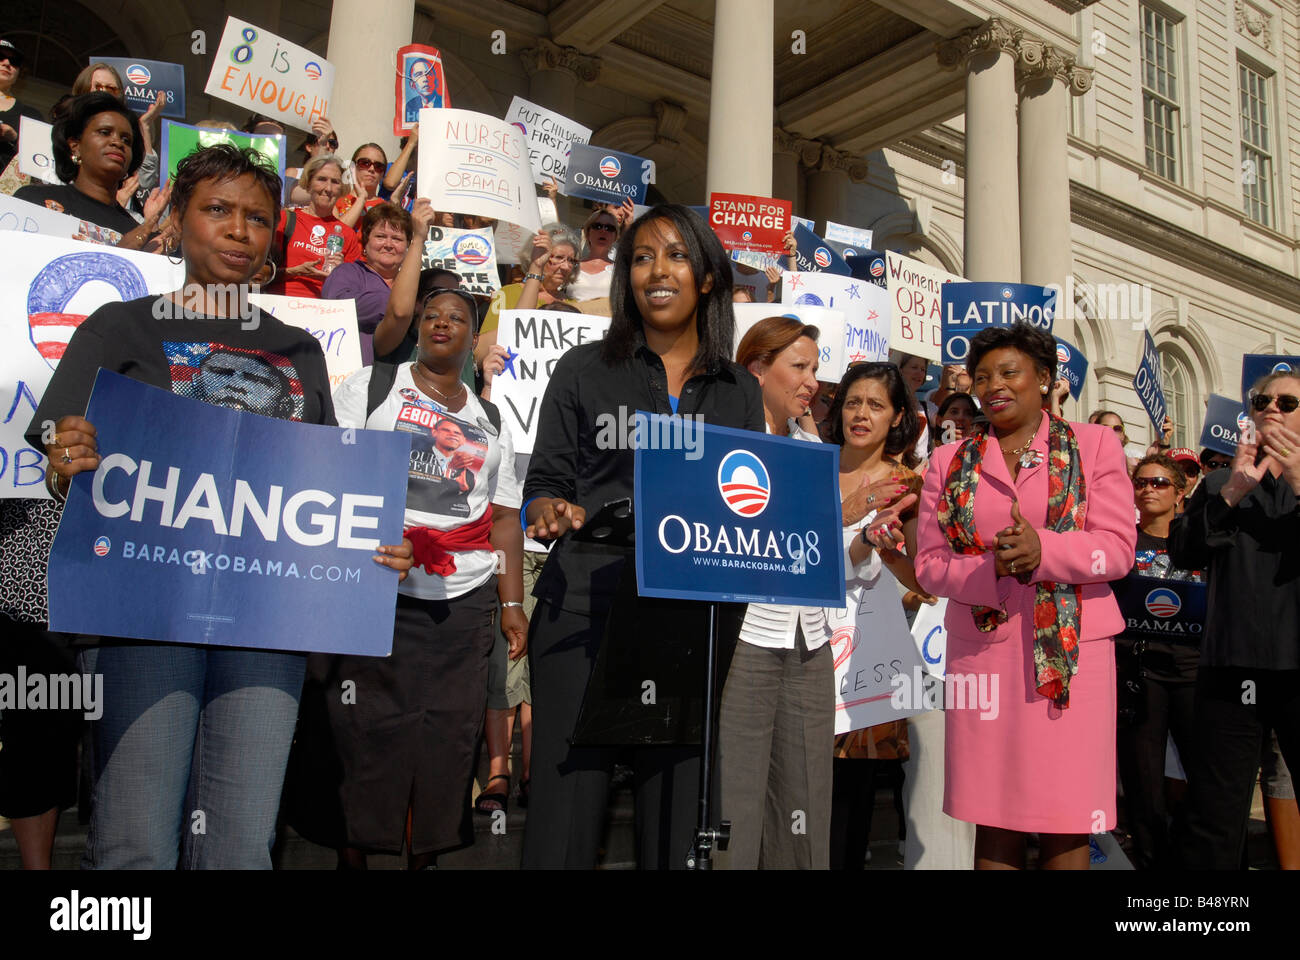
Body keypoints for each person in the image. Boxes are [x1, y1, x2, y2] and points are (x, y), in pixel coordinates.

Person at [26, 144, 414, 868]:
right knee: (135, 841)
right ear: (176, 219)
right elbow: (59, 455)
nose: (239, 229)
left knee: (240, 843)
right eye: (218, 210)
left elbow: (324, 491)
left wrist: (373, 548)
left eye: (258, 218)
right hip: (143, 616)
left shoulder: (299, 351)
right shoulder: (120, 328)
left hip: (265, 627)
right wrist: (65, 457)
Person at [520, 204, 765, 869]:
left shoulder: (739, 390)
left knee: (681, 819)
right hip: (584, 613)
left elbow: (749, 509)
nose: (658, 270)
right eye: (641, 257)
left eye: (677, 255)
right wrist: (548, 510)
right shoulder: (583, 370)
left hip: (690, 625)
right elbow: (543, 483)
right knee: (565, 820)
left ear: (708, 278)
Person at [314, 286, 525, 869]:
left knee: (448, 735)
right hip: (376, 585)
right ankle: (354, 853)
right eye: (431, 314)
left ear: (473, 336)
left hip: (462, 599)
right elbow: (334, 475)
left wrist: (511, 604)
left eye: (457, 317)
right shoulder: (372, 388)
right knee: (364, 728)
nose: (441, 323)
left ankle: (424, 854)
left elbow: (504, 518)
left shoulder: (490, 418)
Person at [914, 322, 1136, 870]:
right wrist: (991, 571)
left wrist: (1045, 552)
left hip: (1072, 656)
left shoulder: (1096, 445)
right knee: (994, 815)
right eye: (983, 376)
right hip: (983, 654)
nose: (994, 386)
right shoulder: (947, 462)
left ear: (1044, 379)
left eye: (1009, 372)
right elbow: (928, 566)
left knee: (1066, 817)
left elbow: (1118, 549)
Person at [1170, 370, 1300, 869]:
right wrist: (1229, 495)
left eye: (1287, 403)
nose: (1272, 409)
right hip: (1232, 670)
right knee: (1215, 816)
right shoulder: (1223, 482)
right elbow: (1181, 552)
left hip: (1296, 668)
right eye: (1262, 400)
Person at [717, 316, 830, 868]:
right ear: (757, 369)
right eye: (799, 367)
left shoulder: (814, 448)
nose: (812, 381)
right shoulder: (722, 443)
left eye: (816, 368)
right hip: (745, 640)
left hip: (812, 641)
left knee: (804, 804)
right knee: (734, 803)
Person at [824, 362, 927, 870]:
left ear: (898, 417)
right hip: (797, 643)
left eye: (875, 405)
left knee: (851, 798)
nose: (860, 415)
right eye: (852, 402)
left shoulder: (910, 485)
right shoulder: (807, 467)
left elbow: (922, 582)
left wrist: (890, 555)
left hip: (868, 658)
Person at [1113, 453, 1204, 870]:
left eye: (1160, 483)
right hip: (1138, 676)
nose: (1148, 489)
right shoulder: (1120, 543)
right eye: (1142, 482)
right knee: (1143, 785)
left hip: (1194, 675)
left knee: (1207, 783)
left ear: (1179, 493)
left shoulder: (1200, 541)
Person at [14, 92, 167, 249]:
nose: (117, 142)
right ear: (75, 146)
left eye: (126, 140)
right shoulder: (32, 200)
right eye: (104, 132)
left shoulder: (137, 233)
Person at [322, 202, 422, 365]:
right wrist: (399, 304)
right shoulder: (348, 272)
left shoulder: (416, 285)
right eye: (380, 236)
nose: (388, 245)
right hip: (355, 373)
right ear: (366, 242)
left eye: (397, 239)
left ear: (407, 247)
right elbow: (337, 310)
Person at [473, 224, 581, 372]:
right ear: (535, 254)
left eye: (571, 261)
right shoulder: (507, 293)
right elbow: (479, 353)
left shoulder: (575, 306)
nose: (566, 266)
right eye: (559, 258)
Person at [272, 153, 362, 298]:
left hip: (325, 311)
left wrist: (341, 272)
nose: (328, 188)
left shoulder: (347, 234)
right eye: (321, 179)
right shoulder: (285, 219)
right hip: (280, 307)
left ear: (342, 189)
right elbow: (261, 273)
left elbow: (355, 290)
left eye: (335, 182)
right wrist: (294, 271)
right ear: (308, 184)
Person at [0, 38, 43, 177]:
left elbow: (41, 165)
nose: (7, 63)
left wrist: (15, 138)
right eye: (0, 57)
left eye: (14, 62)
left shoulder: (31, 116)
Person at [568, 205, 622, 301]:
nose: (603, 231)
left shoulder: (621, 272)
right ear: (588, 233)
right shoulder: (570, 266)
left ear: (615, 236)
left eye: (609, 228)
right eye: (597, 226)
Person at [333, 143, 390, 229]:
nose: (371, 169)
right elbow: (335, 234)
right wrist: (361, 199)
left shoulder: (388, 209)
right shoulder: (335, 201)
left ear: (383, 174)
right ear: (353, 168)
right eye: (365, 163)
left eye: (378, 166)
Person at [404, 57, 444, 122]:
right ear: (412, 85)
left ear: (436, 81)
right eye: (419, 75)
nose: (425, 79)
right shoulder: (409, 106)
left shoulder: (443, 104)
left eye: (428, 73)